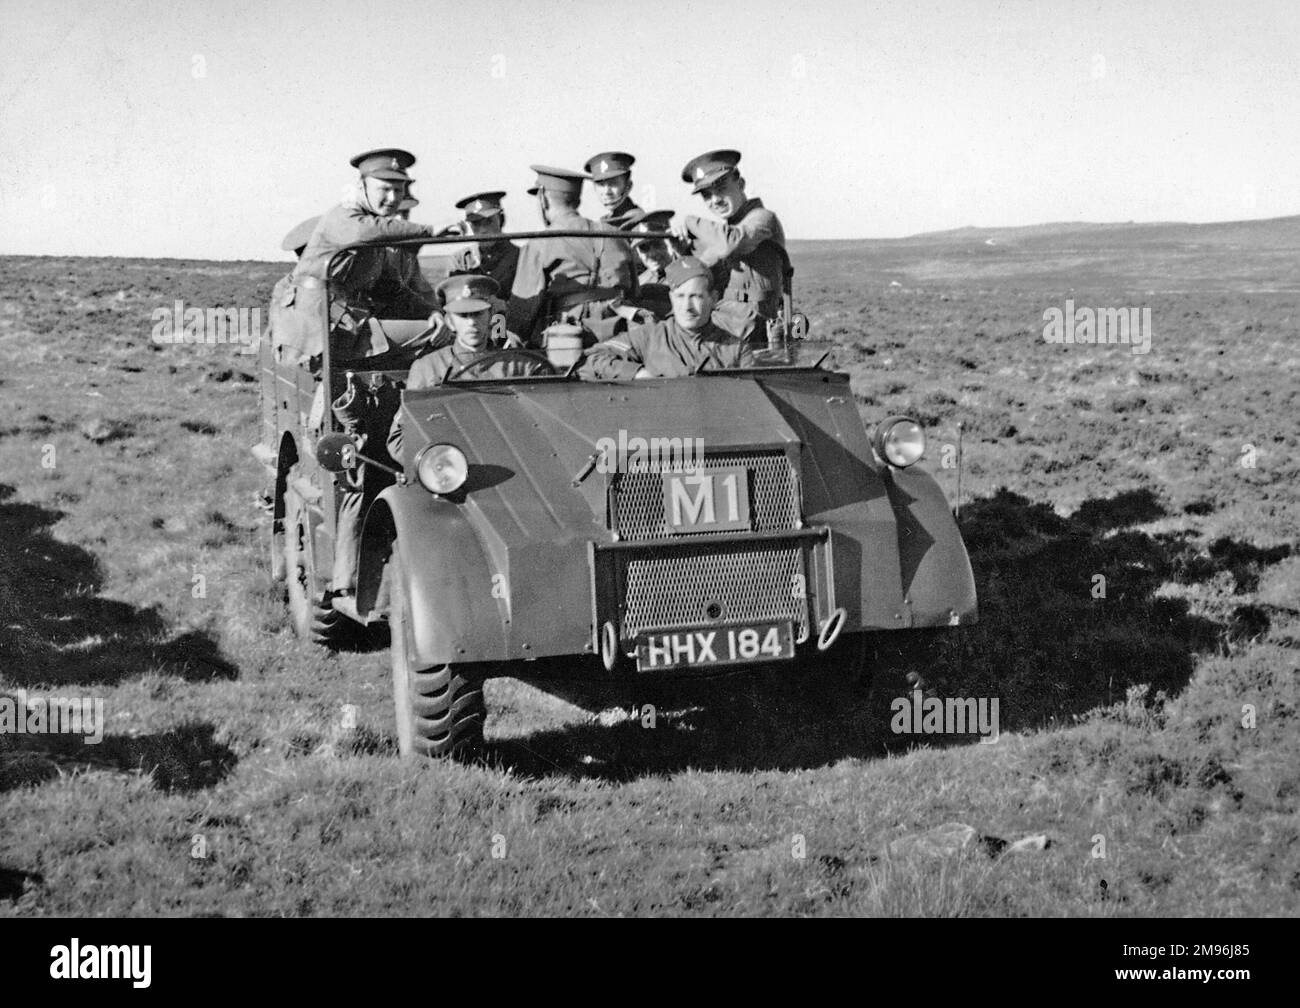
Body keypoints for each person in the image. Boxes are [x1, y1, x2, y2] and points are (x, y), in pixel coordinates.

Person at [279, 148, 440, 366]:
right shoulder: (344, 216)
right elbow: (363, 231)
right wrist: (428, 231)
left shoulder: (375, 233)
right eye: (384, 189)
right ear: (362, 186)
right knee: (440, 337)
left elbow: (393, 289)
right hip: (317, 331)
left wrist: (431, 312)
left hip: (345, 324)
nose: (393, 198)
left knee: (438, 328)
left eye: (399, 190)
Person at [387, 276, 549, 458]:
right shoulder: (428, 369)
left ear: (490, 316)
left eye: (478, 313)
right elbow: (400, 441)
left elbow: (549, 429)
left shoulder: (521, 367)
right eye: (463, 316)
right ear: (449, 322)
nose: (471, 323)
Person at [506, 165, 637, 345]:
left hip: (570, 343)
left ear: (543, 197)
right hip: (622, 336)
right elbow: (635, 291)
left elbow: (520, 319)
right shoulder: (614, 233)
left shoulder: (539, 244)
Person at [580, 256, 754, 380]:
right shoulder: (649, 337)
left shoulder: (735, 348)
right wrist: (638, 373)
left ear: (713, 299)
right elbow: (592, 358)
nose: (687, 306)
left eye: (696, 297)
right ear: (671, 298)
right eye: (680, 297)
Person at [670, 149, 787, 330]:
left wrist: (689, 221)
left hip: (758, 332)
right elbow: (697, 279)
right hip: (731, 325)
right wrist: (682, 251)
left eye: (721, 189)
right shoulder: (721, 235)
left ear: (740, 184)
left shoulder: (762, 218)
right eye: (706, 195)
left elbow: (730, 244)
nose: (715, 200)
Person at [447, 191, 520, 295]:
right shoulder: (461, 260)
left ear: (501, 219)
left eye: (489, 221)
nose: (483, 230)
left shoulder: (520, 258)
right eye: (476, 223)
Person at [583, 151, 640, 228]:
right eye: (601, 184)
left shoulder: (638, 221)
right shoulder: (606, 220)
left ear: (628, 186)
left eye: (613, 183)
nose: (607, 192)